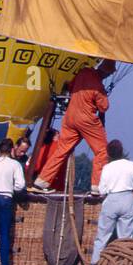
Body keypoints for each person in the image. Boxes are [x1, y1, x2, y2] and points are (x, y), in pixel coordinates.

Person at [34, 62, 114, 194]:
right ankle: (96, 186)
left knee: (62, 149)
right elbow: (104, 107)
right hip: (86, 119)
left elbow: (70, 87)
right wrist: (103, 93)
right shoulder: (98, 86)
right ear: (106, 72)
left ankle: (42, 180)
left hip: (70, 117)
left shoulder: (83, 72)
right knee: (102, 151)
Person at [85, 139, 133, 265]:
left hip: (111, 200)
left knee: (102, 237)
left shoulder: (107, 168)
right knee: (126, 240)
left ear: (109, 153)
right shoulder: (130, 165)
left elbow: (101, 190)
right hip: (128, 199)